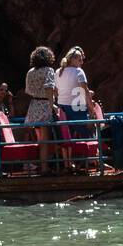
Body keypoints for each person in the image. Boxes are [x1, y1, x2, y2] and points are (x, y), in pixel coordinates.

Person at [25, 45, 68, 174]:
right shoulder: (48, 70)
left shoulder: (30, 72)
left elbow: (28, 90)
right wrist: (52, 104)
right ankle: (44, 168)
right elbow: (49, 87)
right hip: (44, 106)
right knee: (45, 140)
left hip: (33, 106)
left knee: (40, 140)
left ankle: (42, 166)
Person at [56, 46, 93, 170]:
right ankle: (91, 161)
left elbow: (56, 91)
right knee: (87, 132)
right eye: (80, 60)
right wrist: (91, 108)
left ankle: (69, 163)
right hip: (77, 107)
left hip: (62, 107)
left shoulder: (58, 72)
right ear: (73, 60)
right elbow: (85, 90)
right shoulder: (78, 72)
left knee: (67, 135)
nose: (82, 63)